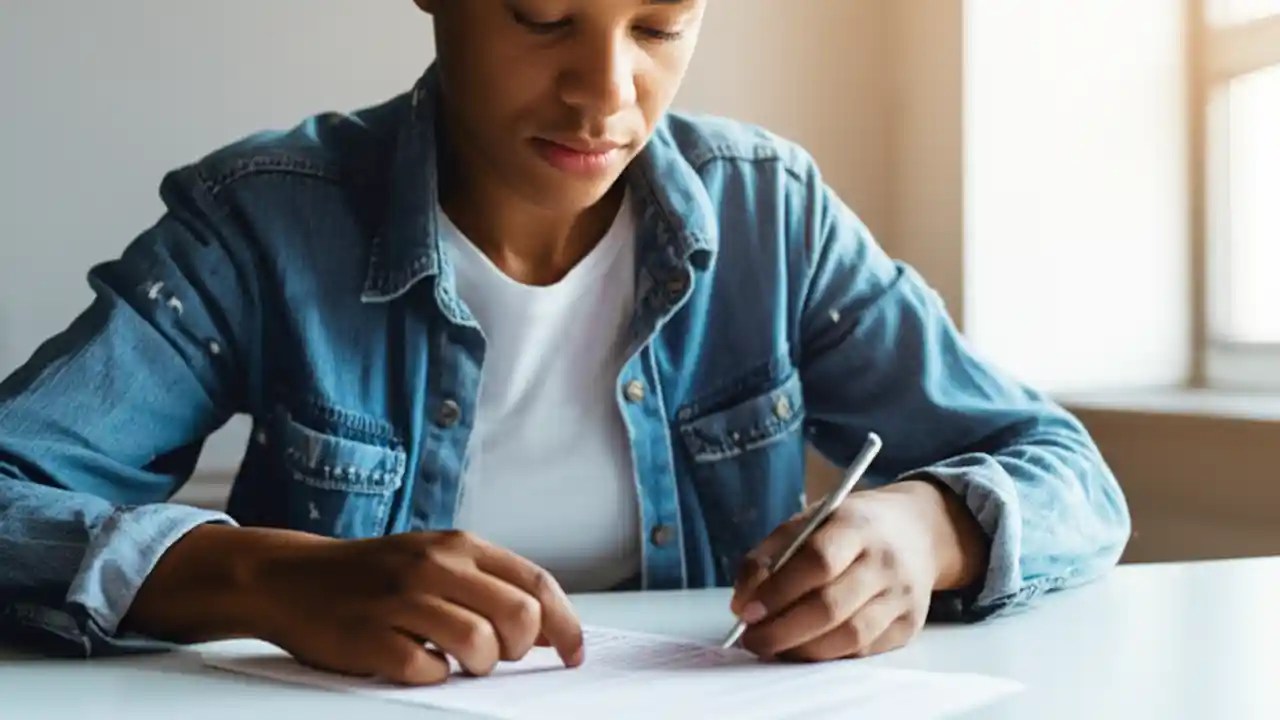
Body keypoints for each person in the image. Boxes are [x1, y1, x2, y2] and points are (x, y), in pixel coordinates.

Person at [0, 0, 1130, 686]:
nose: (604, 93)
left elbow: (1068, 476)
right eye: (542, 18)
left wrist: (924, 530)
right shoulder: (264, 220)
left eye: (660, 26)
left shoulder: (771, 216)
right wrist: (265, 580)